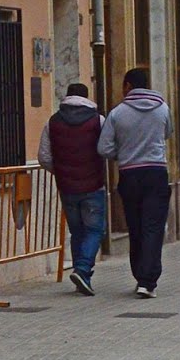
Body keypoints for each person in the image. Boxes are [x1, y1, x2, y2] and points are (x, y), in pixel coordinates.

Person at [98, 68, 172, 298]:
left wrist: (124, 153)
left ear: (128, 86)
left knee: (136, 226)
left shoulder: (117, 113)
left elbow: (103, 148)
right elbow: (167, 132)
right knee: (153, 227)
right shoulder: (162, 108)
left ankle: (140, 273)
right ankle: (147, 281)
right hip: (156, 173)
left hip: (129, 174)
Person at [37, 81, 107, 294]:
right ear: (86, 97)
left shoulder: (52, 121)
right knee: (94, 229)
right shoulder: (98, 121)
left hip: (67, 187)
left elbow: (44, 157)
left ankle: (81, 276)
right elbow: (106, 148)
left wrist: (61, 172)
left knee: (77, 231)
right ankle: (83, 270)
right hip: (93, 185)